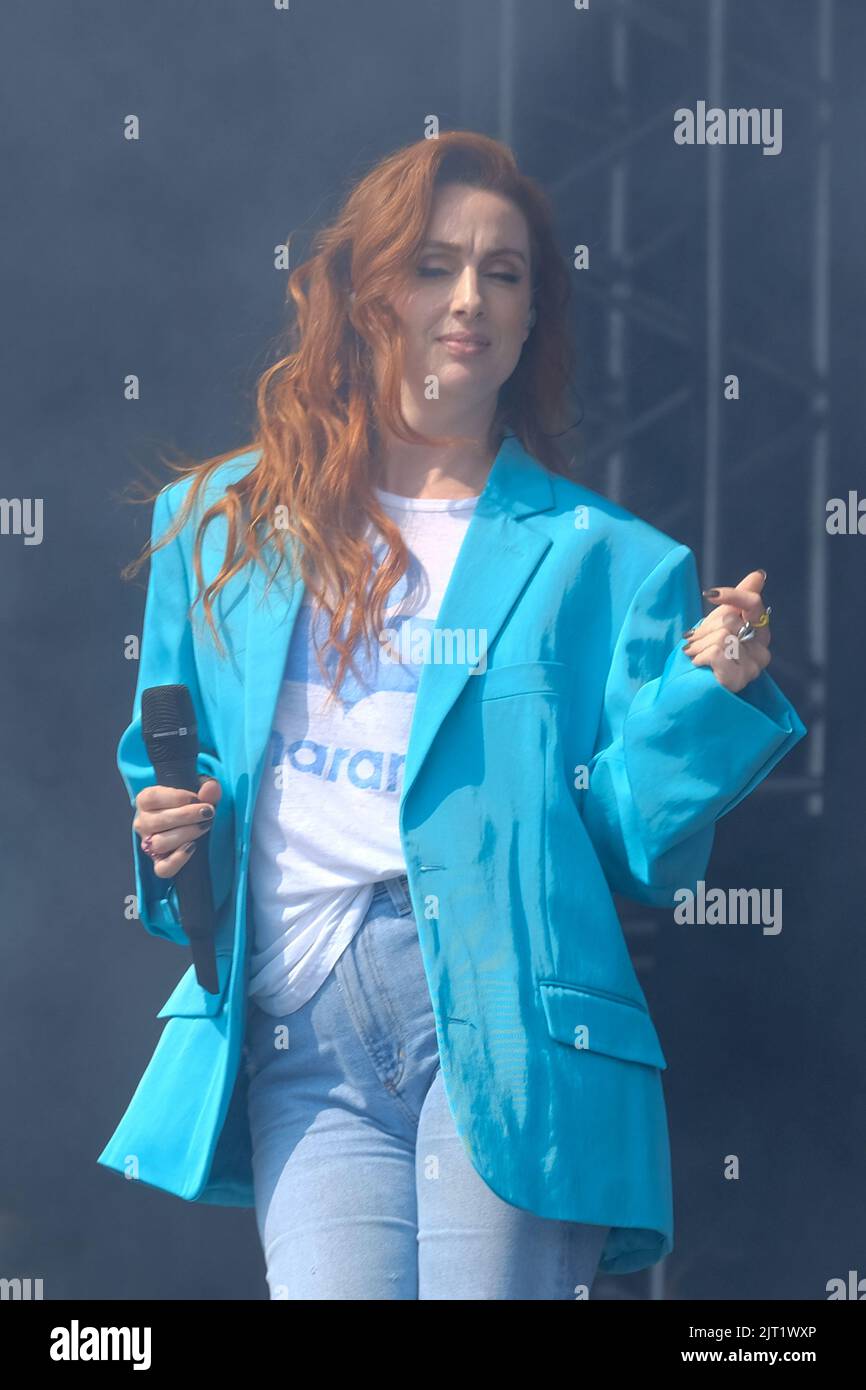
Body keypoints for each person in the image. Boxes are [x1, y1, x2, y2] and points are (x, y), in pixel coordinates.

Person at [99, 131, 807, 1299]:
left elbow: (635, 841)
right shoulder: (217, 524)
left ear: (533, 320)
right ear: (366, 290)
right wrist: (172, 829)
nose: (468, 298)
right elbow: (169, 773)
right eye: (432, 265)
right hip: (299, 1020)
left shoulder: (606, 559)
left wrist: (705, 694)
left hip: (510, 1013)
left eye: (504, 272)